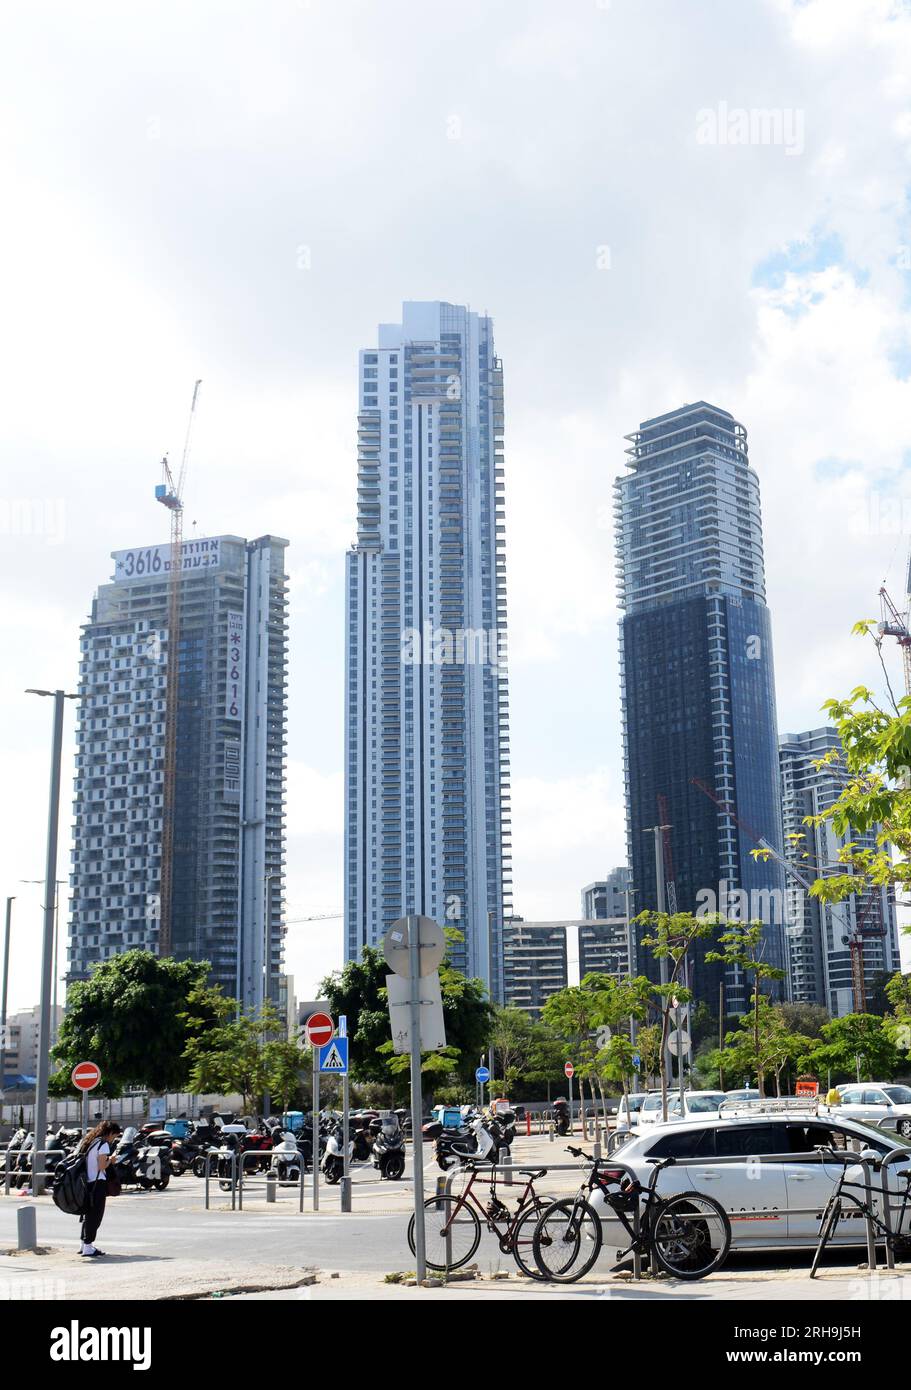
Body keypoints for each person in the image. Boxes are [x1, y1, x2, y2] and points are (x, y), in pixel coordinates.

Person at [76, 1120, 121, 1258]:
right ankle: (88, 1247)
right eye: (114, 1136)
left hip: (86, 1183)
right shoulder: (103, 1144)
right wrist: (111, 1160)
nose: (113, 1139)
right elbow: (102, 1166)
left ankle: (84, 1244)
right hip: (97, 1183)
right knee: (95, 1216)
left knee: (87, 1214)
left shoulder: (90, 1142)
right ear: (110, 1133)